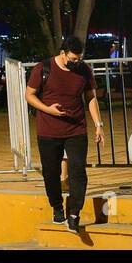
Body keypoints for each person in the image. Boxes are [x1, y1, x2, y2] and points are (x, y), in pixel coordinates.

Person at [25, 35, 104, 233]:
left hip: (76, 128)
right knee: (51, 173)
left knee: (78, 171)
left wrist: (98, 124)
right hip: (48, 130)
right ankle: (57, 206)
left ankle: (74, 213)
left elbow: (90, 98)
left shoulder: (84, 70)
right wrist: (48, 109)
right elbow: (29, 94)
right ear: (62, 53)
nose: (76, 62)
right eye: (73, 59)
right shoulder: (43, 68)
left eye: (79, 59)